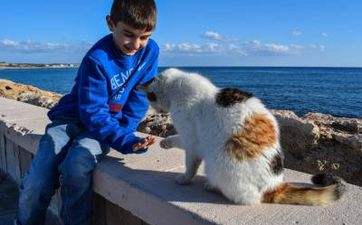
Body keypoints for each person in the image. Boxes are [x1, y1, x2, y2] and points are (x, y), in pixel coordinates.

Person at [15, 0, 158, 224]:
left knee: (77, 162)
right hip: (72, 119)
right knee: (38, 181)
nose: (136, 44)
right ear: (111, 24)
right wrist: (123, 139)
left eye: (144, 36)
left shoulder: (150, 52)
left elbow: (140, 96)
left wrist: (126, 133)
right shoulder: (97, 58)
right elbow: (93, 112)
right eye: (128, 34)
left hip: (104, 125)